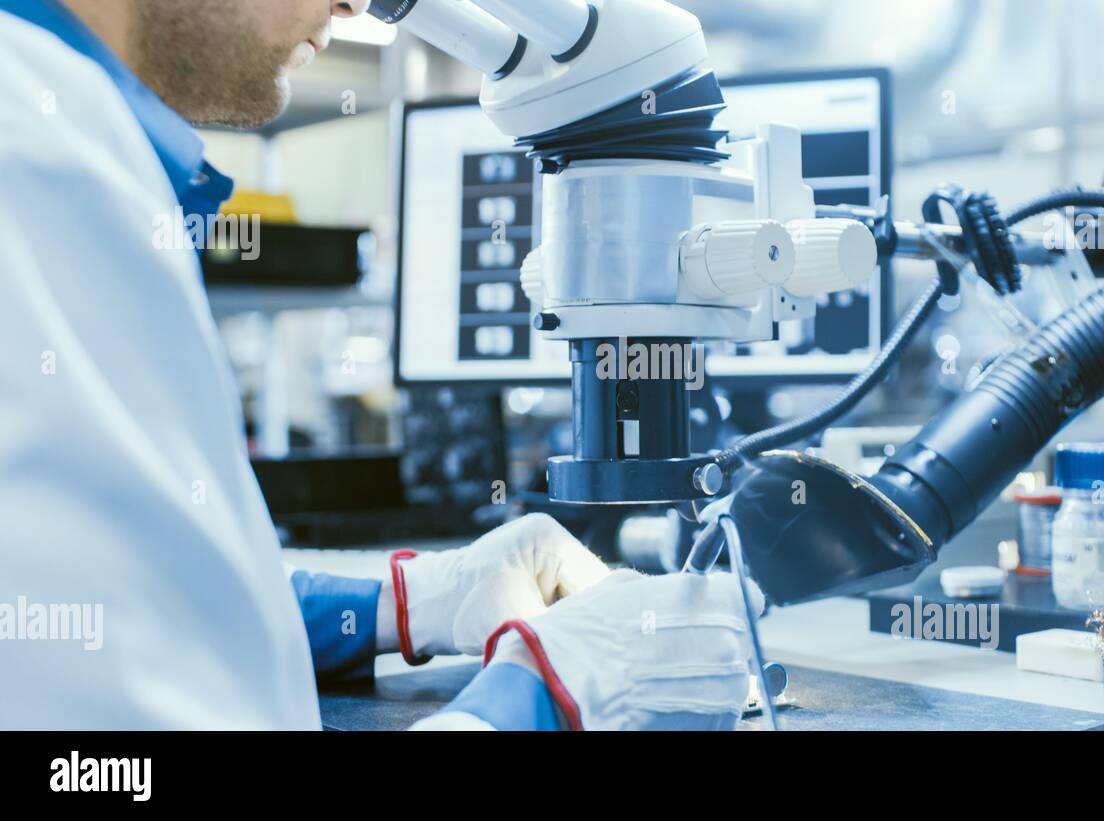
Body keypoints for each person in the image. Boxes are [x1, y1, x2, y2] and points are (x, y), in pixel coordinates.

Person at [0, 0, 757, 731]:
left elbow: (124, 604)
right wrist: (553, 691)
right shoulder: (33, 155)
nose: (355, 3)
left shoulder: (56, 115)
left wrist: (406, 600)